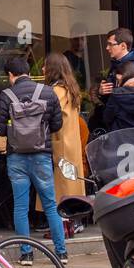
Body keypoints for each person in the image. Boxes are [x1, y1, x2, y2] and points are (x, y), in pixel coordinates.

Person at [0, 55, 68, 265]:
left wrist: (14, 129)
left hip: (16, 157)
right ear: (27, 71)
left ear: (10, 75)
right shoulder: (47, 92)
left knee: (20, 207)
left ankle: (26, 254)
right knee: (51, 205)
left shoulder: (6, 95)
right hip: (42, 155)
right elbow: (57, 124)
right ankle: (61, 252)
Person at [44, 52, 86, 205]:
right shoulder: (71, 89)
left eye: (45, 66)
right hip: (71, 143)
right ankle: (72, 222)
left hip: (60, 143)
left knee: (60, 191)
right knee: (71, 186)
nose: (42, 69)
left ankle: (62, 225)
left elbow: (50, 117)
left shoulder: (56, 91)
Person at [98, 27, 134, 95]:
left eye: (110, 44)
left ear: (123, 46)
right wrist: (102, 92)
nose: (107, 48)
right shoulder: (116, 64)